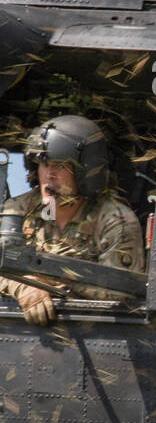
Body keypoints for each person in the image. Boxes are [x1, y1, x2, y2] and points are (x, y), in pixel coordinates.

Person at [0, 115, 145, 326]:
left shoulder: (116, 220)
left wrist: (55, 279)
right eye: (43, 164)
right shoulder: (19, 210)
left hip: (91, 332)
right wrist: (25, 287)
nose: (49, 175)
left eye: (60, 166)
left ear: (85, 172)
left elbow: (121, 293)